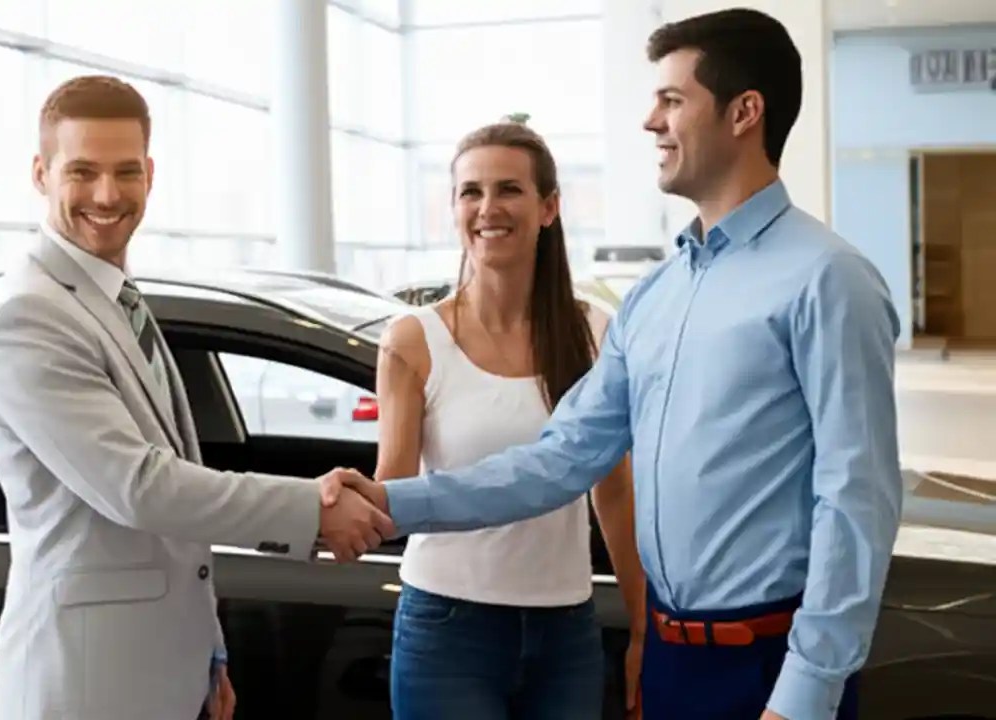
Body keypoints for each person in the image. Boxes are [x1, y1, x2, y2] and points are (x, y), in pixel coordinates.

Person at [325, 9, 901, 720]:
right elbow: (562, 459)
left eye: (672, 100)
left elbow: (857, 500)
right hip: (672, 663)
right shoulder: (656, 297)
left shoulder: (828, 278)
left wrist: (806, 695)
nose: (649, 122)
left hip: (772, 670)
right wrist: (392, 500)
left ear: (745, 112)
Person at [0, 75, 392, 720]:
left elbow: (172, 520)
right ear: (40, 173)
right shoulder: (29, 314)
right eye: (82, 171)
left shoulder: (114, 295)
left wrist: (207, 653)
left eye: (125, 172)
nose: (107, 196)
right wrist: (312, 509)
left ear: (151, 174)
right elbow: (141, 487)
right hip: (88, 686)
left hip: (152, 671)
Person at [374, 121, 647, 719]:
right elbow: (392, 493)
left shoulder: (594, 334)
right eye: (470, 192)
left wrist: (642, 627)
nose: (487, 208)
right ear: (453, 208)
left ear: (549, 207)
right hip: (448, 627)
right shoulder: (412, 341)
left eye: (509, 190)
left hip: (566, 628)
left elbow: (616, 492)